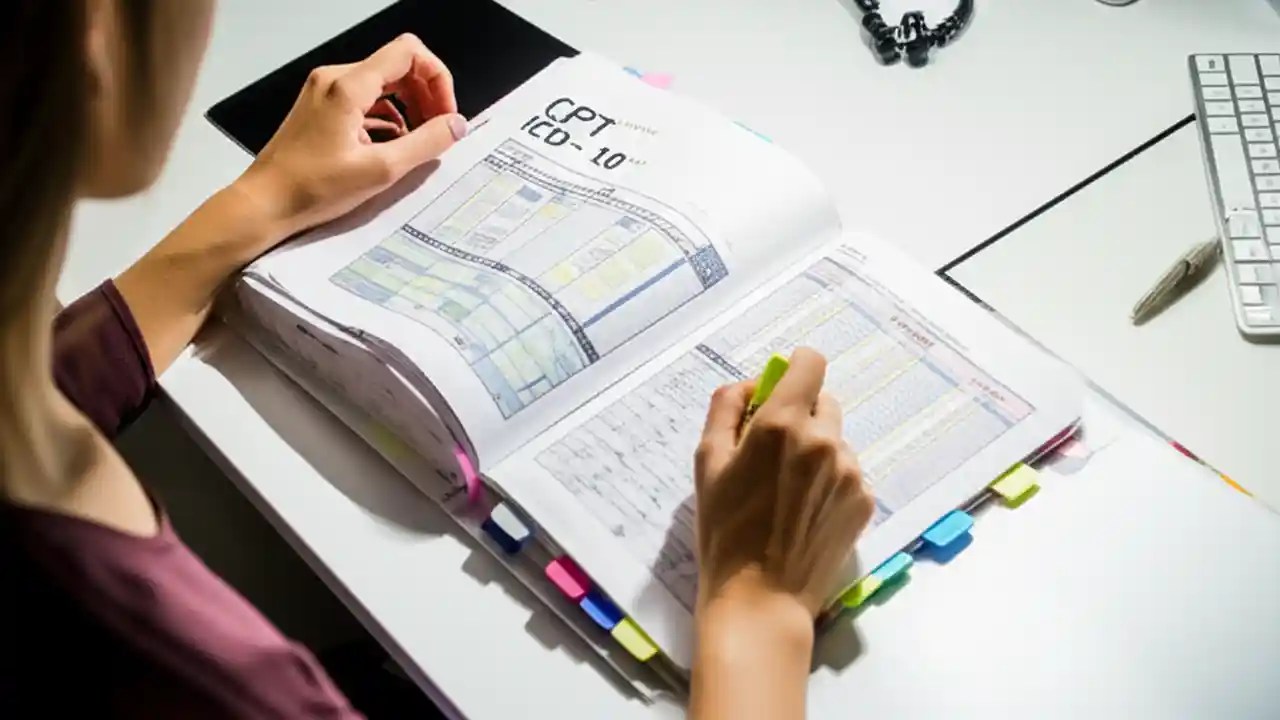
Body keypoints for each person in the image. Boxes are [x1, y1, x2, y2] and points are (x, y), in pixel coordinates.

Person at [0, 2, 874, 717]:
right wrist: (757, 612)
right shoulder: (214, 687)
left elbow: (40, 390)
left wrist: (264, 200)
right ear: (101, 35)